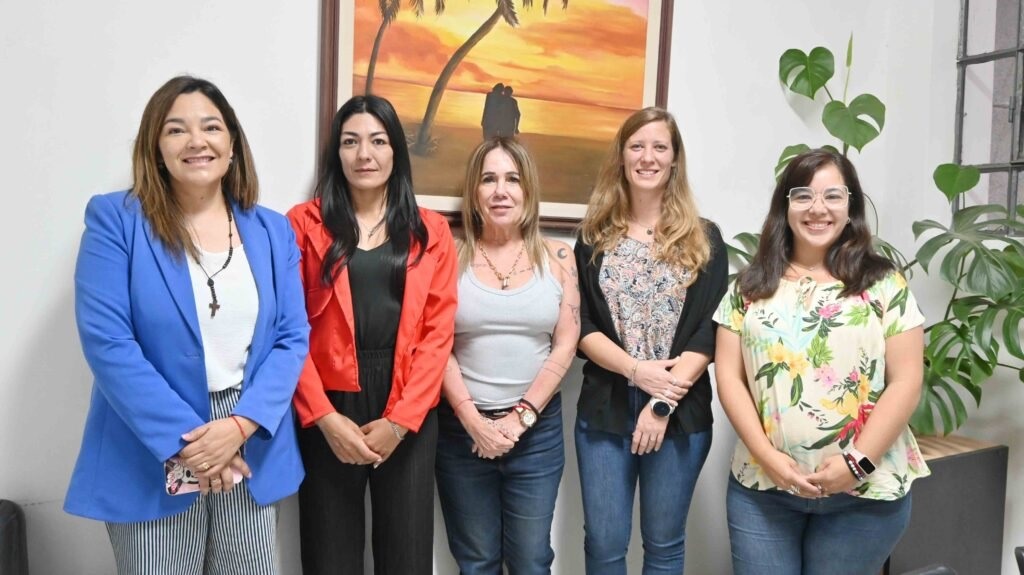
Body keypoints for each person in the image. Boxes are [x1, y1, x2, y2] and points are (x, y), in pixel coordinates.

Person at [65, 76, 310, 574]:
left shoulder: (271, 229)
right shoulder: (117, 220)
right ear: (156, 148)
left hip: (249, 440)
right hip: (152, 442)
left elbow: (291, 335)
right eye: (177, 130)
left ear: (233, 145)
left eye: (211, 127)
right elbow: (109, 343)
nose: (197, 141)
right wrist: (193, 444)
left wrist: (239, 427)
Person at [713, 148, 930, 574]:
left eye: (833, 196)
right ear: (785, 207)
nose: (818, 209)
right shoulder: (750, 286)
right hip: (763, 490)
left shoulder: (885, 284)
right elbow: (729, 377)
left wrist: (857, 463)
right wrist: (768, 458)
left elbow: (906, 380)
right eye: (803, 196)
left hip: (864, 496)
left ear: (851, 207)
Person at [288, 94, 458, 575]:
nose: (364, 154)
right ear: (336, 153)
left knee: (406, 557)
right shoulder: (303, 225)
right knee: (329, 556)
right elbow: (288, 329)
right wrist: (321, 416)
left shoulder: (431, 230)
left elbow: (437, 335)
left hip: (407, 401)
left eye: (377, 141)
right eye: (351, 142)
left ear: (395, 152)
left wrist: (401, 422)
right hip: (328, 403)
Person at [574, 107, 728, 574]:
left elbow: (711, 330)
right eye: (637, 146)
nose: (648, 157)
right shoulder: (593, 237)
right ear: (621, 157)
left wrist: (661, 403)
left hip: (680, 414)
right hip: (606, 408)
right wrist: (637, 371)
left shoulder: (705, 239)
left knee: (663, 546)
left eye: (659, 146)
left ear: (674, 159)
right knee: (604, 545)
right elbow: (581, 325)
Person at [435, 137, 580, 574]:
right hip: (463, 433)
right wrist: (474, 421)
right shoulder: (449, 256)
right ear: (474, 192)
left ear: (528, 190)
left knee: (531, 559)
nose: (501, 191)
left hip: (536, 435)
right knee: (476, 560)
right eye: (489, 179)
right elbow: (435, 344)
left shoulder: (558, 256)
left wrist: (520, 418)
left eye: (512, 179)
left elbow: (567, 340)